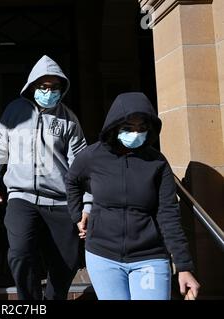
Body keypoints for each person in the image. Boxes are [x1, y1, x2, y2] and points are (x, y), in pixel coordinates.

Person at [65, 92, 200, 300]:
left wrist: (184, 266)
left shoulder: (158, 163)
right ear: (115, 126)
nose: (135, 133)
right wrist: (77, 215)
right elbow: (72, 180)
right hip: (102, 255)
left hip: (150, 257)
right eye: (128, 128)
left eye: (142, 128)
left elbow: (169, 215)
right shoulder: (92, 156)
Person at [0, 55, 92, 300]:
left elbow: (83, 165)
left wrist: (87, 204)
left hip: (62, 201)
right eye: (43, 86)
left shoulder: (68, 120)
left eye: (54, 87)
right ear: (32, 86)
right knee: (20, 253)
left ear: (62, 89)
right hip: (23, 197)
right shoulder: (14, 112)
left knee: (67, 261)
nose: (48, 91)